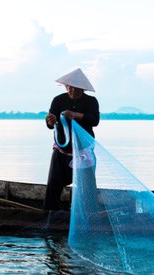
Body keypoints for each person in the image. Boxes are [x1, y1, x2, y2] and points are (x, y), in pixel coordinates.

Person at [43, 68, 100, 211]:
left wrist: (76, 115)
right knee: (54, 184)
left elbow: (94, 120)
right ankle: (50, 214)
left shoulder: (91, 102)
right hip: (62, 149)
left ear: (83, 89)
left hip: (83, 151)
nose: (73, 91)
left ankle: (90, 214)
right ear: (66, 86)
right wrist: (50, 120)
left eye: (77, 89)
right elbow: (51, 125)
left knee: (87, 186)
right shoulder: (58, 100)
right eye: (70, 88)